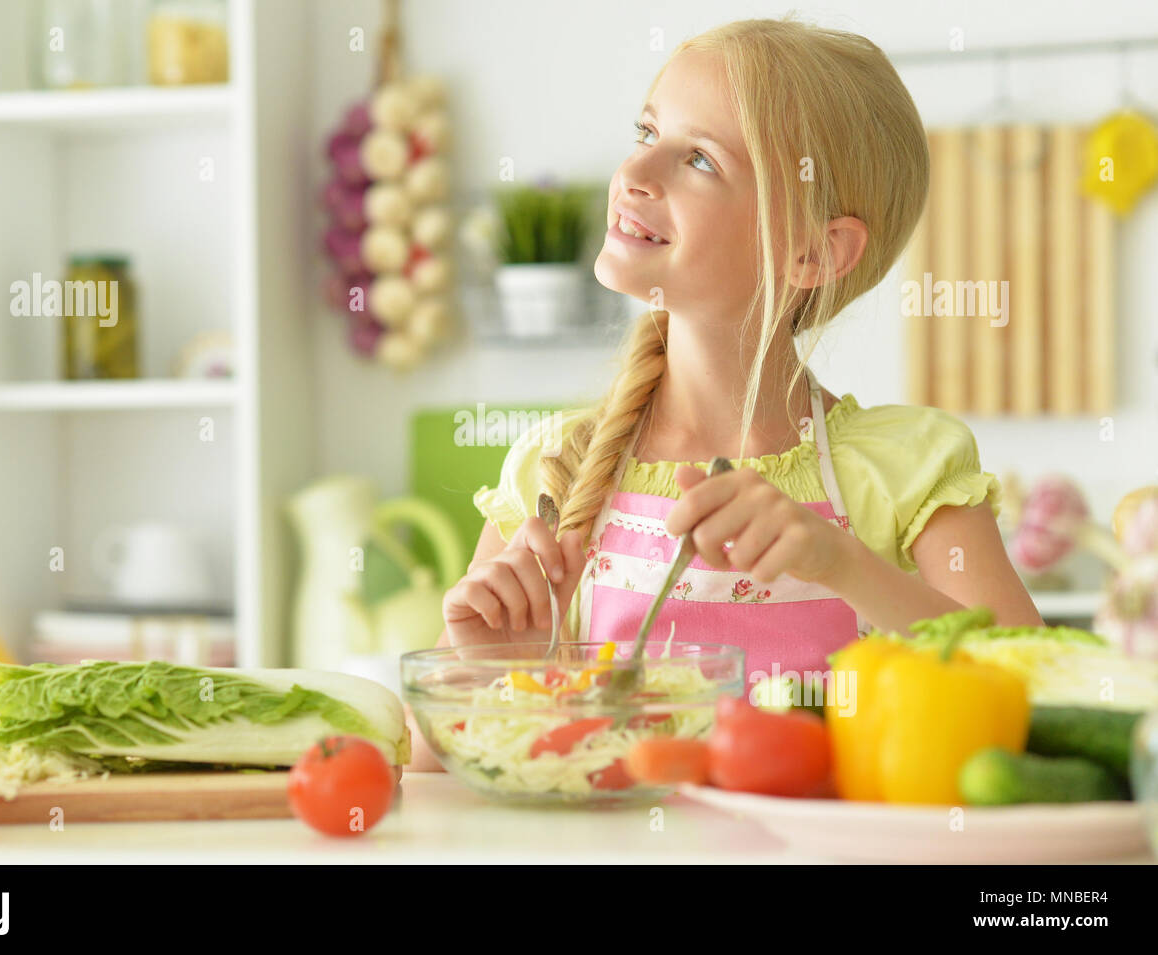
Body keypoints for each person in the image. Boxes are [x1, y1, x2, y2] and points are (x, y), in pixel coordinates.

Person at [409, 17, 1043, 770]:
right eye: (646, 130)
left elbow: (1031, 685)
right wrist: (497, 672)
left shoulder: (908, 466)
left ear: (813, 251)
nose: (637, 170)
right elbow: (427, 766)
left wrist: (838, 562)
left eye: (700, 160)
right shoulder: (554, 467)